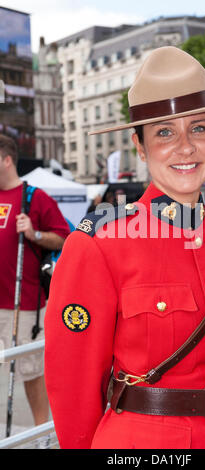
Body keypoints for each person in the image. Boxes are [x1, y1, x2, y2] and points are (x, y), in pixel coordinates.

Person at [45, 46, 205, 449]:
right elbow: (72, 384)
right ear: (140, 146)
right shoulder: (100, 244)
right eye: (164, 132)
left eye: (199, 127)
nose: (185, 147)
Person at [0, 134, 70, 428]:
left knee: (30, 372)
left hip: (23, 305)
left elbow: (65, 238)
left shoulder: (34, 197)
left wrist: (34, 234)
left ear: (6, 160)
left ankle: (41, 432)